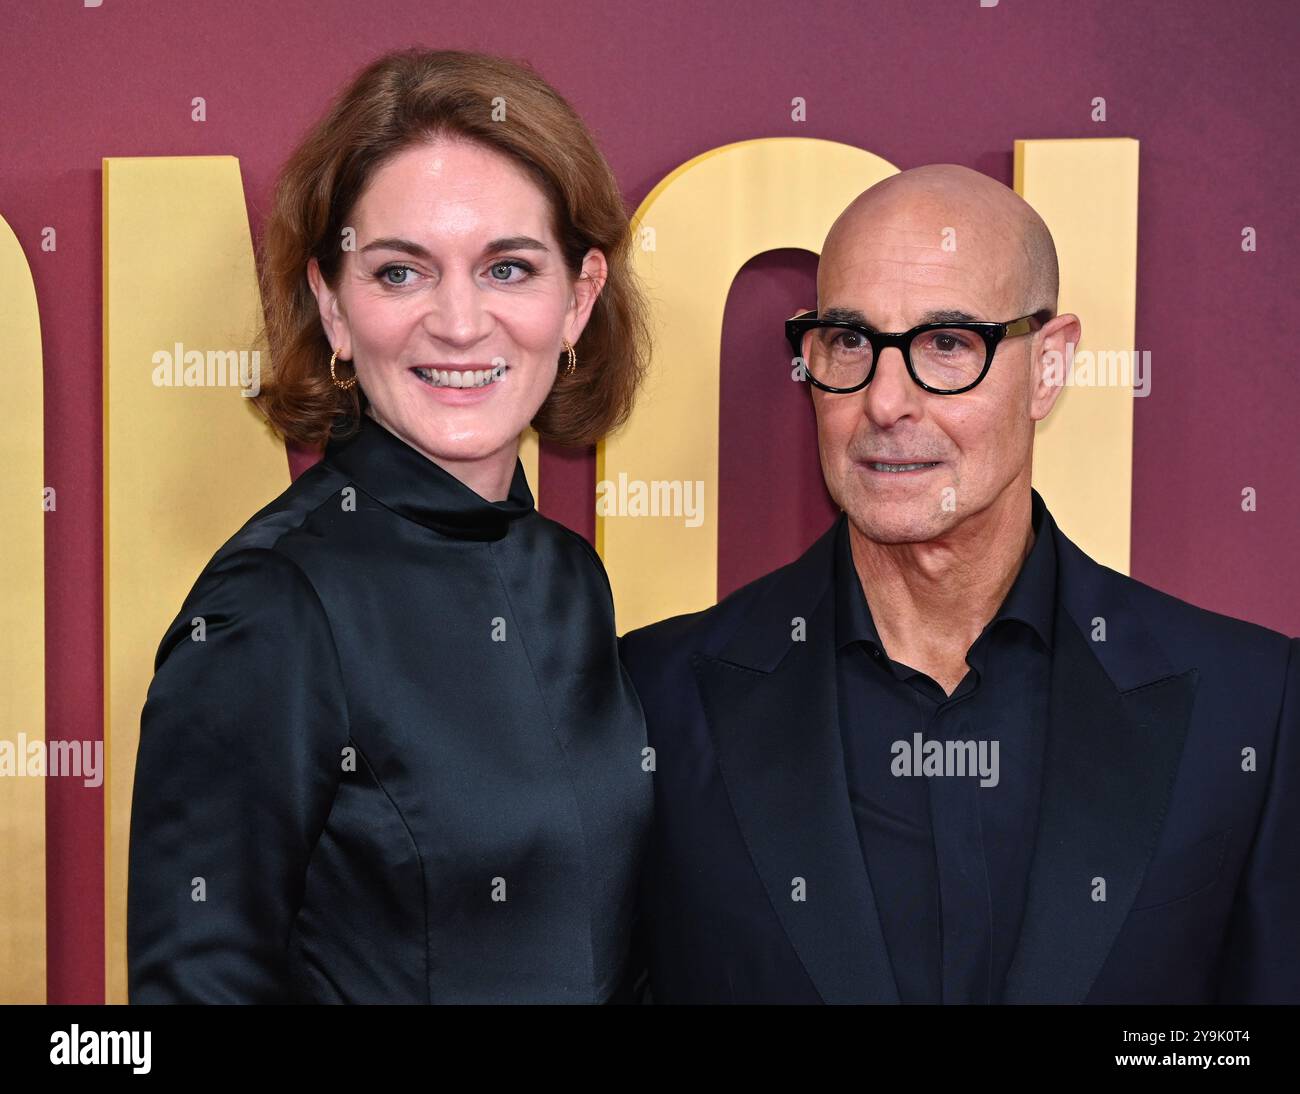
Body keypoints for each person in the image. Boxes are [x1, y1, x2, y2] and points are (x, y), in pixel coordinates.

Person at [620, 164, 1299, 1004]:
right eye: (851, 342)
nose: (885, 401)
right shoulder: (656, 697)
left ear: (1049, 367)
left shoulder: (1250, 706)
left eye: (947, 345)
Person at [128, 47, 653, 1004]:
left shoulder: (571, 577)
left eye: (507, 267)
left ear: (578, 298)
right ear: (333, 304)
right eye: (402, 273)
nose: (459, 323)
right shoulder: (271, 606)